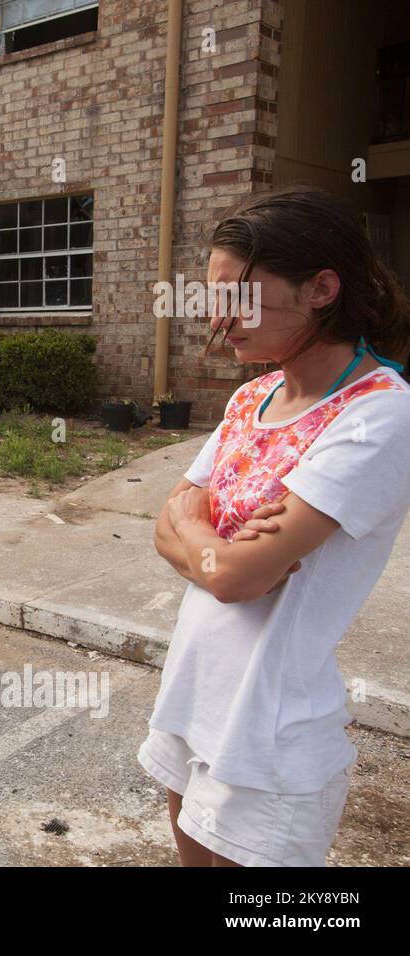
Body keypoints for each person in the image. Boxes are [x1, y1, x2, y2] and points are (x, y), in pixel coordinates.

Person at [145, 184, 410, 866]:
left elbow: (232, 575)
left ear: (322, 288)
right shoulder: (252, 396)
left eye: (240, 296)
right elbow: (167, 528)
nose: (218, 319)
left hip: (269, 736)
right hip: (194, 696)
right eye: (213, 296)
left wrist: (199, 532)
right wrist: (216, 548)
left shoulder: (379, 412)